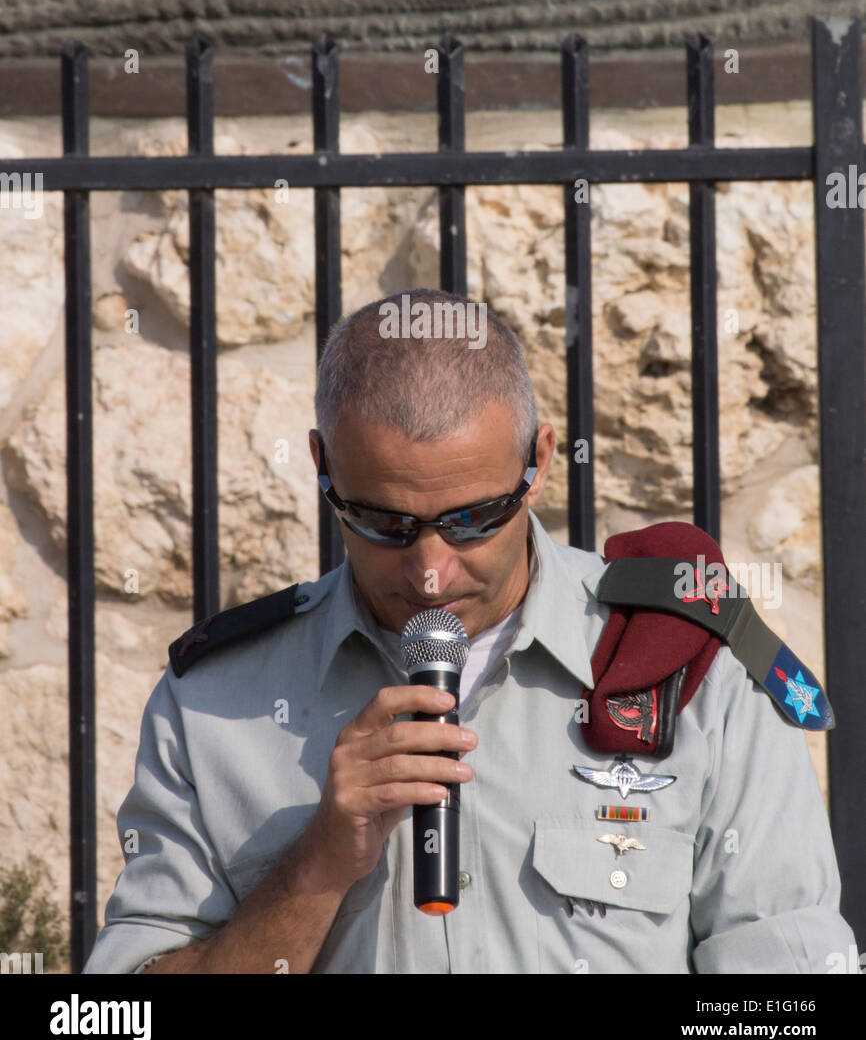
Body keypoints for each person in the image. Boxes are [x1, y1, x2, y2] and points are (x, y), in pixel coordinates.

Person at [82, 288, 856, 974]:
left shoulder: (690, 664)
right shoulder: (216, 703)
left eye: (474, 520)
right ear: (321, 467)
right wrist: (314, 867)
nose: (430, 572)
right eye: (384, 523)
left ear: (541, 460)